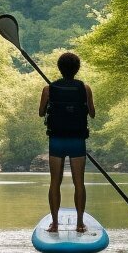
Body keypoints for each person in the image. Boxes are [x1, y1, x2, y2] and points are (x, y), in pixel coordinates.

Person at [39, 51, 95, 233]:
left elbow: (41, 112)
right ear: (77, 69)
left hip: (56, 141)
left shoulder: (49, 89)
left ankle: (54, 224)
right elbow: (92, 113)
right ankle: (79, 224)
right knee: (79, 183)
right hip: (77, 141)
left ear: (59, 68)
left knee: (55, 182)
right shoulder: (85, 88)